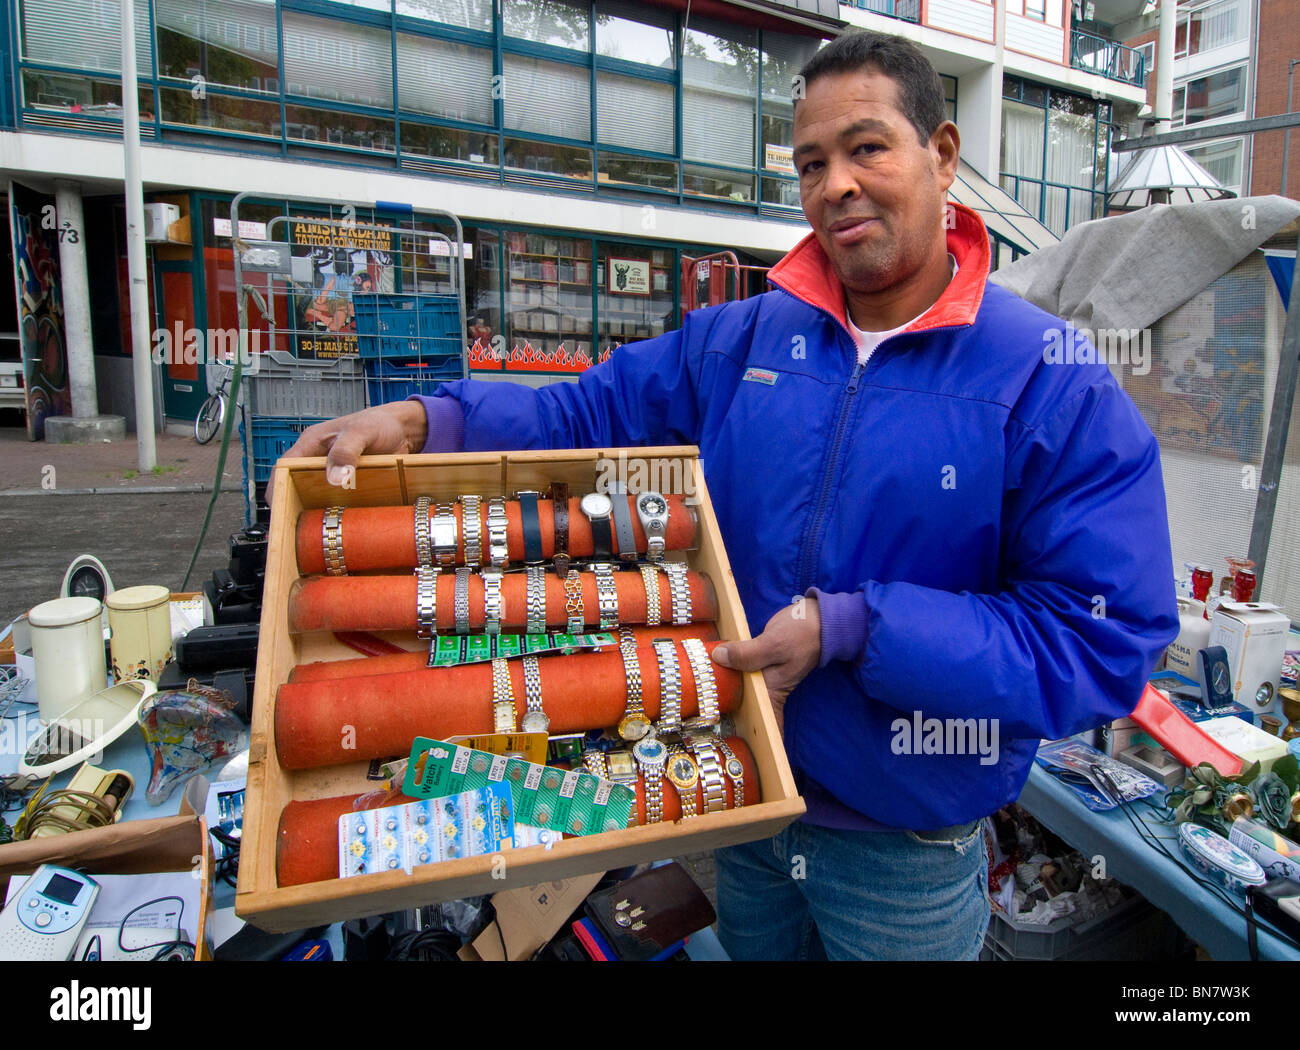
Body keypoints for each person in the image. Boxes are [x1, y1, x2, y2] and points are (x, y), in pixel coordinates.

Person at [279, 31, 1179, 960]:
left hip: (904, 854)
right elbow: (591, 410)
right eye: (812, 163)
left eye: (867, 148)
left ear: (942, 155)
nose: (837, 185)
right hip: (740, 797)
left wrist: (852, 627)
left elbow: (1103, 638)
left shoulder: (1050, 380)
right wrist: (431, 421)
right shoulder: (742, 339)